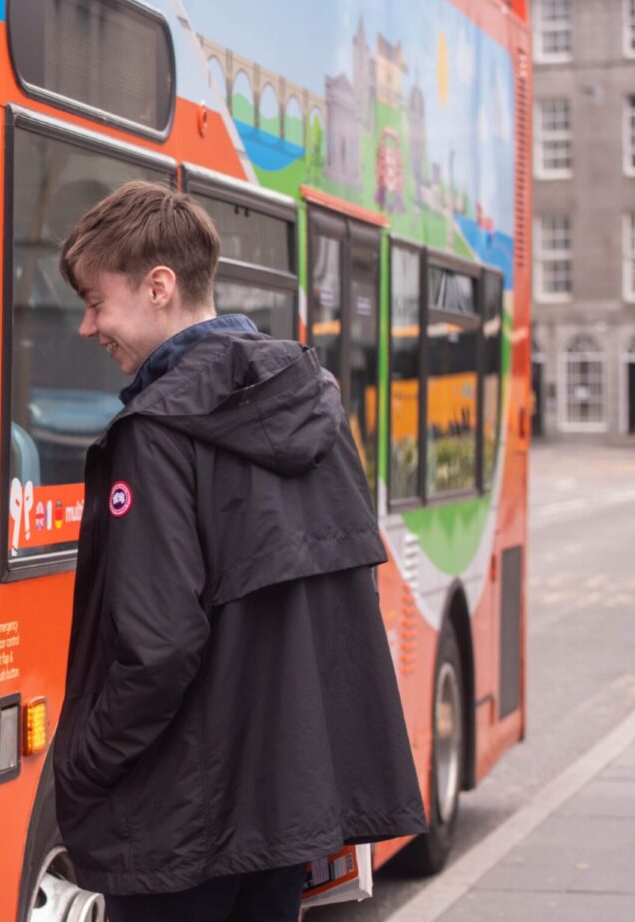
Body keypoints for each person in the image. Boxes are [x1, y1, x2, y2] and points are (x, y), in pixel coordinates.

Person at [52, 181, 427, 922]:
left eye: (96, 301)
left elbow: (159, 648)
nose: (88, 325)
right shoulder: (311, 398)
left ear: (159, 286)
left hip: (180, 818)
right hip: (285, 809)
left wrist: (82, 763)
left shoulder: (154, 435)